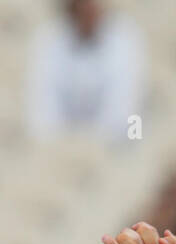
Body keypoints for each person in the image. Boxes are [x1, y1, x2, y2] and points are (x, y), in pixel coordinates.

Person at [26, 0, 146, 144]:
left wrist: (94, 143)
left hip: (114, 145)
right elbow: (41, 108)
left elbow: (124, 108)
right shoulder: (49, 37)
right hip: (61, 144)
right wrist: (64, 143)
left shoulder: (124, 37)